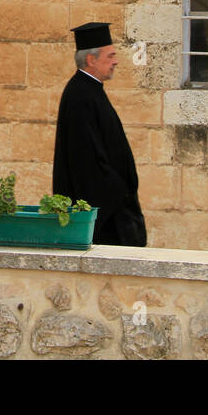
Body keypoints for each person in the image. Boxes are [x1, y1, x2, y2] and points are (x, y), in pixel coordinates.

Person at [52, 22, 146, 247]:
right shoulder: (80, 97)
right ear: (91, 60)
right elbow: (87, 161)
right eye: (110, 56)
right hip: (106, 217)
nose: (116, 62)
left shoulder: (89, 91)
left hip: (114, 209)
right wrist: (119, 193)